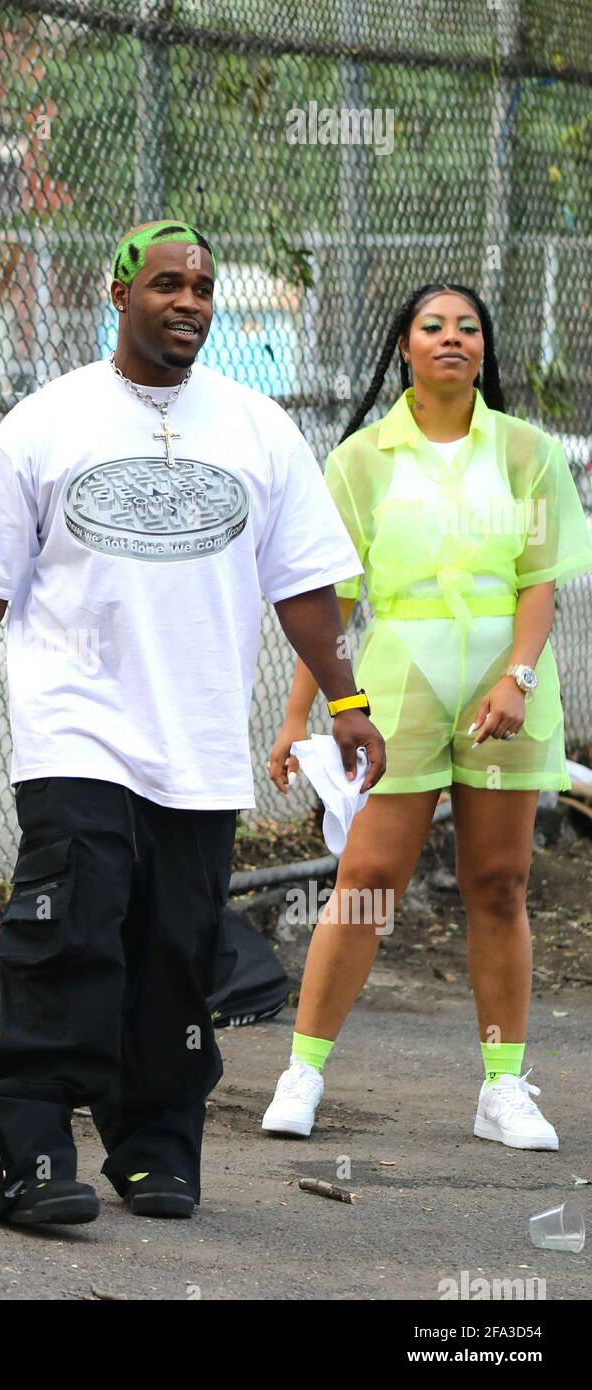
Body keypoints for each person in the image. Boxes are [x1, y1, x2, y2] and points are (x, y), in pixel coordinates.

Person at [0, 219, 384, 1226]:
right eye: (164, 284)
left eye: (200, 286)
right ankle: (21, 1144)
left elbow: (303, 589)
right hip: (76, 730)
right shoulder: (46, 423)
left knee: (173, 953)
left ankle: (152, 1144)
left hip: (196, 748)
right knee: (71, 937)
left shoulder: (258, 429)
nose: (187, 301)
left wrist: (347, 699)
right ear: (117, 295)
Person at [263, 282, 592, 1150]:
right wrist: (299, 718)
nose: (453, 338)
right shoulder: (362, 460)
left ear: (485, 349)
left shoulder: (526, 453)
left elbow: (537, 582)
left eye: (469, 327)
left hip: (504, 691)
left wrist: (518, 679)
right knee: (367, 883)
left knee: (498, 885)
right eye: (433, 326)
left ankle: (501, 1089)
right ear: (404, 347)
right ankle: (303, 1072)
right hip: (396, 683)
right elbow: (329, 602)